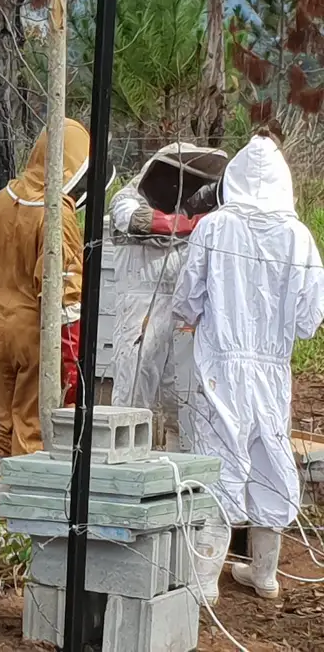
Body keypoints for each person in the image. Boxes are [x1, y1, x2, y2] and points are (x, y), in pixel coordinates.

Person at [173, 132, 324, 604]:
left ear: (234, 177)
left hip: (221, 362)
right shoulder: (299, 237)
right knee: (268, 457)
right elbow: (308, 319)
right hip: (271, 368)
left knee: (219, 459)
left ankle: (203, 585)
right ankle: (265, 575)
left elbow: (186, 298)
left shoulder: (215, 228)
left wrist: (193, 319)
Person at [0, 119, 105, 506]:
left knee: (5, 424)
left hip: (0, 328)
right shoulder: (56, 214)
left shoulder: (3, 197)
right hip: (37, 335)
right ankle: (19, 531)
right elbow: (65, 295)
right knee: (32, 430)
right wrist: (72, 356)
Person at [109, 143, 228, 450]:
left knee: (182, 400)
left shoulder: (191, 209)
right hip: (141, 309)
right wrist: (191, 225)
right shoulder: (126, 200)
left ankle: (178, 475)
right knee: (133, 398)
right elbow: (140, 221)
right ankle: (126, 468)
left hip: (181, 312)